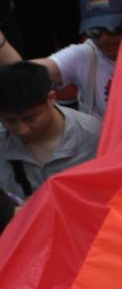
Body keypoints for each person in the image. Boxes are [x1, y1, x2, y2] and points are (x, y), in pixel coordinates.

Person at [0, 0, 122, 123]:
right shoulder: (85, 55)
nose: (104, 38)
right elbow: (22, 77)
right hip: (108, 142)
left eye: (113, 28)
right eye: (94, 31)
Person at [0, 60, 99, 206]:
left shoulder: (95, 136)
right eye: (10, 121)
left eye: (30, 118)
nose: (22, 130)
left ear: (51, 98)